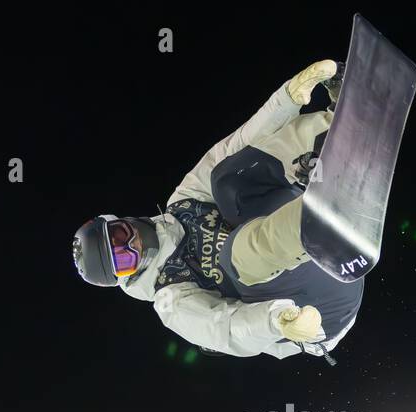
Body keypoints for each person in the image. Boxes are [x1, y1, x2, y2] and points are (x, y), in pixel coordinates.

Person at [72, 61, 361, 364]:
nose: (133, 247)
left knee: (228, 179)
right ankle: (314, 223)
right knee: (235, 258)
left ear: (123, 221)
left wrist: (287, 98)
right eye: (124, 259)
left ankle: (337, 130)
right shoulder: (171, 297)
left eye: (120, 237)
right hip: (316, 311)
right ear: (124, 277)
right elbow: (223, 328)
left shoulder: (183, 202)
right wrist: (278, 321)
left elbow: (238, 144)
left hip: (317, 253)